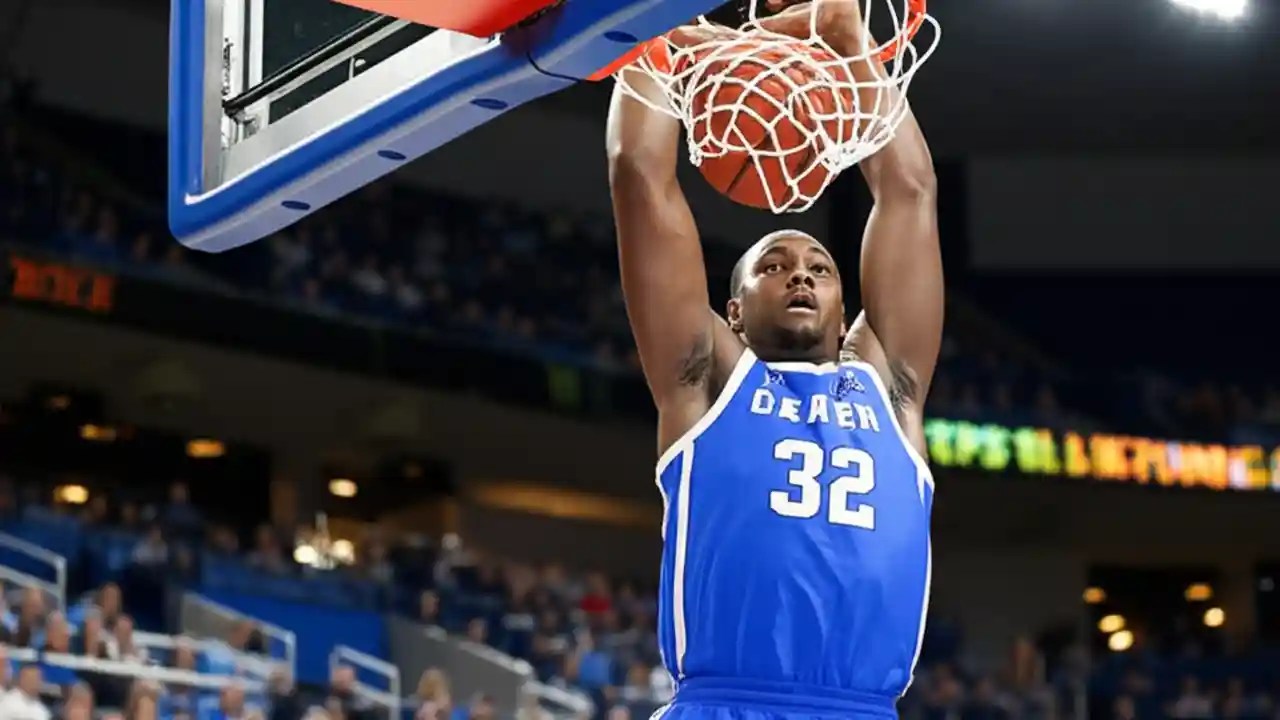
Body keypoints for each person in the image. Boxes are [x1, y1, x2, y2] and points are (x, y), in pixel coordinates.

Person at [606, 0, 940, 718]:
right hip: (727, 703)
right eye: (774, 265)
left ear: (844, 310)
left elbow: (909, 193)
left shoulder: (891, 390)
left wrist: (852, 41)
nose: (800, 274)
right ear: (732, 311)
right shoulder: (708, 379)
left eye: (820, 267)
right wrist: (652, 35)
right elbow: (639, 173)